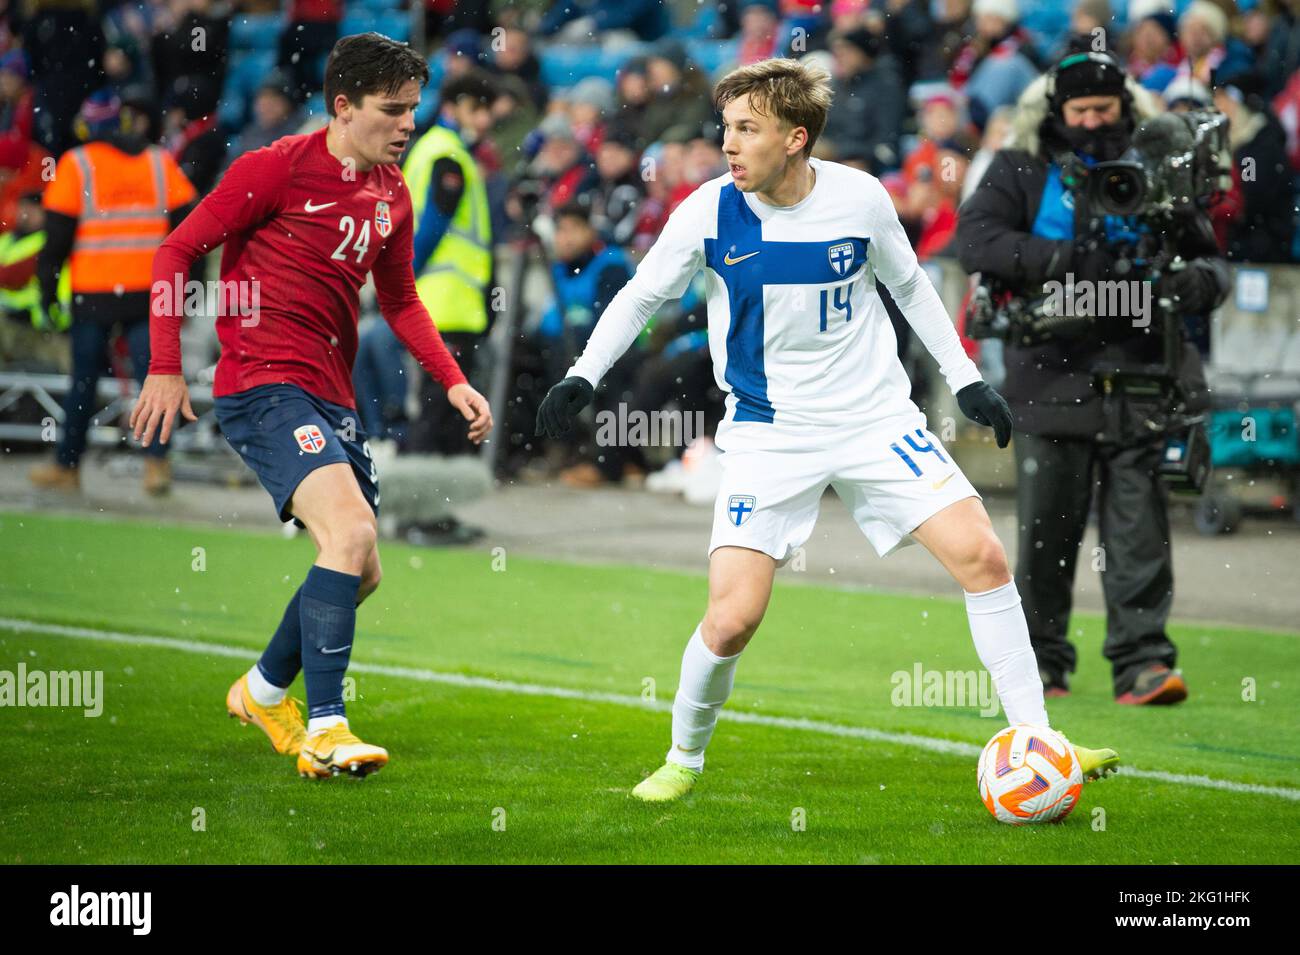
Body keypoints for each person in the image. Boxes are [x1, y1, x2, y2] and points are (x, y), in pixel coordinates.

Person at [536, 57, 1119, 802]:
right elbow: (641, 296)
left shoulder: (862, 199)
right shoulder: (709, 211)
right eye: (726, 129)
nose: (729, 144)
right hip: (767, 434)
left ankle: (1038, 738)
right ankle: (685, 756)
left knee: (982, 556)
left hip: (875, 418)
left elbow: (910, 286)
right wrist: (585, 373)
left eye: (747, 129)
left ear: (796, 137)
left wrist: (968, 380)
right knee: (733, 618)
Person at [130, 33, 493, 780]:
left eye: (412, 110)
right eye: (391, 110)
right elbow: (176, 251)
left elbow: (398, 299)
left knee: (361, 570)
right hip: (261, 382)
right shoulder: (276, 167)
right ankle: (327, 726)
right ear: (342, 105)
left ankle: (262, 691)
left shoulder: (392, 190)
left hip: (332, 393)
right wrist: (165, 365)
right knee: (353, 528)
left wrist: (451, 377)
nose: (406, 125)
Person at [956, 51, 1229, 705]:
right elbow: (976, 240)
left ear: (1126, 107)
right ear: (1057, 113)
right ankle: (1041, 665)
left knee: (1140, 531)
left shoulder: (1161, 164)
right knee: (1048, 532)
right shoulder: (1022, 165)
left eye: (1105, 110)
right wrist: (1067, 258)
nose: (1093, 122)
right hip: (1052, 375)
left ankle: (1143, 664)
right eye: (1080, 111)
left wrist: (1193, 283)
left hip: (1142, 374)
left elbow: (1212, 265)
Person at [29, 89, 196, 496]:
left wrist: (48, 293)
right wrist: (186, 288)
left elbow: (55, 242)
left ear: (86, 127)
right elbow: (190, 230)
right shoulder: (158, 161)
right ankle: (157, 466)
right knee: (154, 381)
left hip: (93, 291)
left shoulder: (76, 164)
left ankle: (68, 466)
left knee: (83, 382)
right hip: (149, 293)